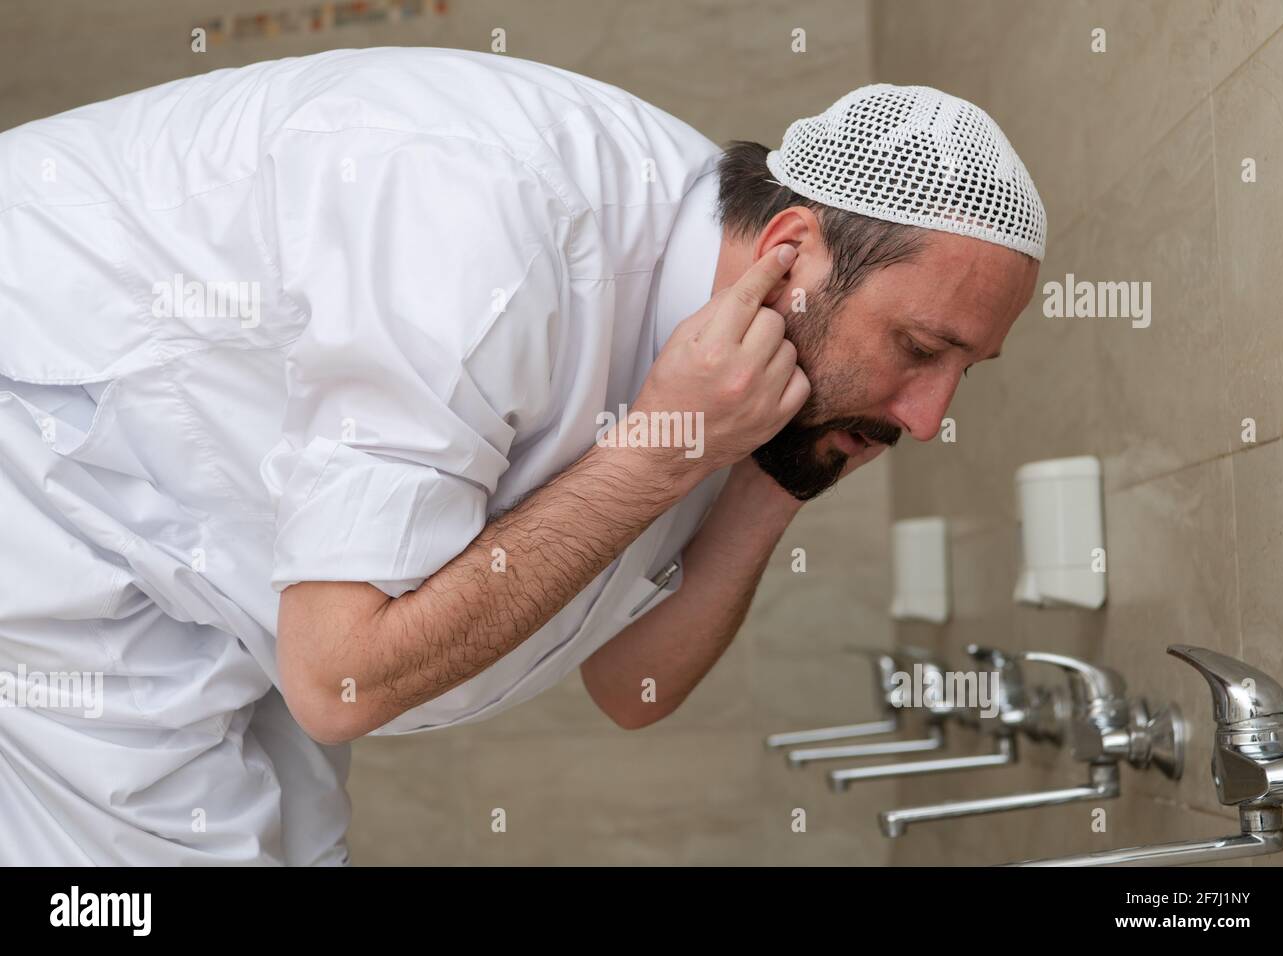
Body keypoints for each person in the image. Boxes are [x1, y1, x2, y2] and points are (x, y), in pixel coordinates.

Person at [0, 47, 1043, 864]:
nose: (927, 413)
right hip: (49, 442)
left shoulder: (730, 340)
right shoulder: (484, 230)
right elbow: (341, 677)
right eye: (920, 350)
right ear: (790, 253)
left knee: (303, 847)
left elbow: (628, 690)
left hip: (210, 546)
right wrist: (656, 452)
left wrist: (775, 475)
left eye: (968, 370)